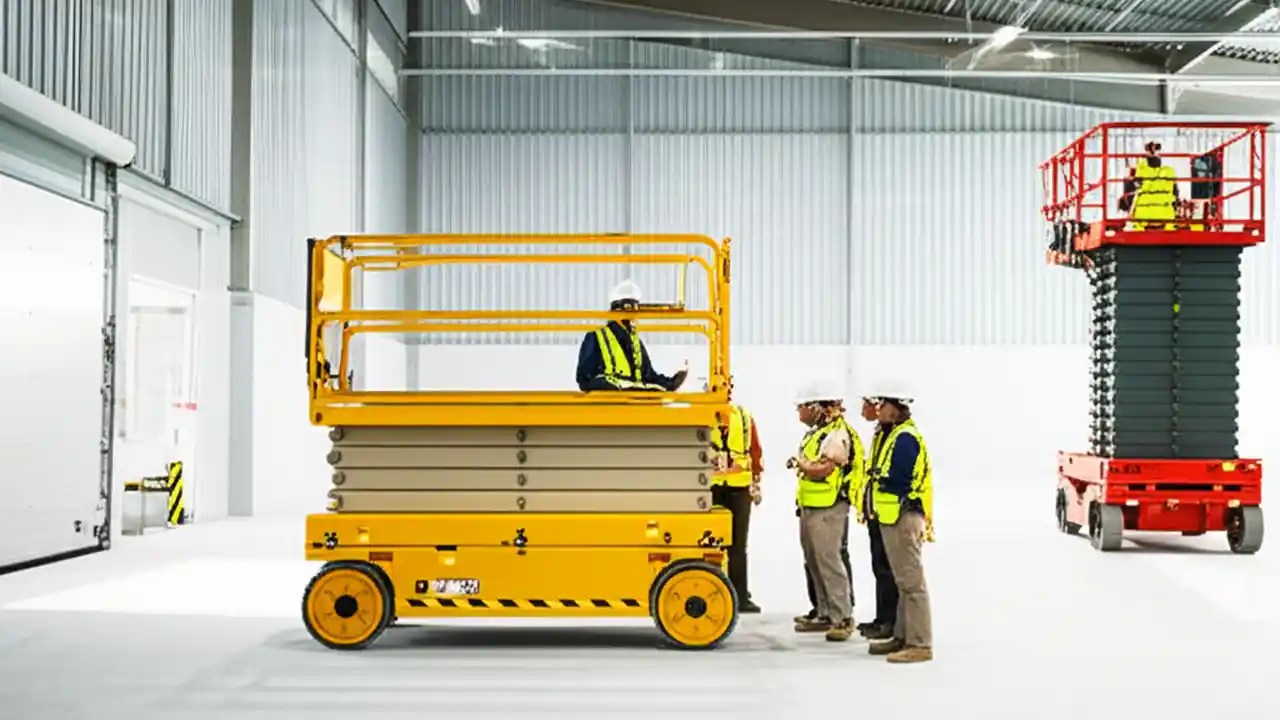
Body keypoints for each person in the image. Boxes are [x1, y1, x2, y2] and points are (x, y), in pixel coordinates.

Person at [789, 380, 864, 642]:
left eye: (802, 408)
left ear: (816, 407)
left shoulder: (836, 434)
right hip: (811, 505)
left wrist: (802, 465)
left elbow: (826, 468)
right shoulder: (817, 433)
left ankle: (842, 616)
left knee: (829, 561)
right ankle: (823, 612)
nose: (799, 413)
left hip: (829, 506)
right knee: (814, 560)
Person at [863, 384, 934, 664]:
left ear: (897, 408)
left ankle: (920, 643)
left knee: (912, 584)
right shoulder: (891, 435)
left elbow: (898, 480)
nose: (878, 410)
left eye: (883, 405)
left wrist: (877, 476)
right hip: (892, 517)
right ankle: (903, 637)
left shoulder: (905, 439)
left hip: (904, 517)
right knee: (903, 583)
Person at [575, 279, 687, 392]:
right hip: (610, 404)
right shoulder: (596, 337)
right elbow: (585, 379)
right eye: (629, 309)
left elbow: (648, 375)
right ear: (617, 310)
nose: (633, 316)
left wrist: (670, 383)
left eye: (635, 310)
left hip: (633, 404)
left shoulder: (635, 342)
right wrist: (618, 387)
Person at [709, 378, 762, 613]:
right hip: (711, 488)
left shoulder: (743, 417)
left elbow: (755, 451)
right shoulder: (702, 415)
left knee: (738, 545)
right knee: (710, 544)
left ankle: (740, 595)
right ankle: (714, 593)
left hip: (739, 488)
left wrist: (756, 483)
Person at [855, 395, 898, 641]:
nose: (866, 410)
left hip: (892, 515)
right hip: (878, 512)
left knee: (889, 571)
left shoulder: (899, 437)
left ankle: (890, 622)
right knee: (880, 569)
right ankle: (883, 618)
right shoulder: (882, 434)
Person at [1129, 141, 1179, 231]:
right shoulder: (1169, 171)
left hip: (1143, 216)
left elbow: (1135, 191)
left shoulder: (1140, 171)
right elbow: (1176, 194)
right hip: (1166, 215)